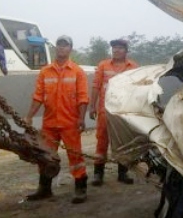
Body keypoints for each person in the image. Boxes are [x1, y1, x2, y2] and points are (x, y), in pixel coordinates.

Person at [24, 35, 90, 203]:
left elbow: (83, 97)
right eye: (59, 45)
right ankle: (44, 189)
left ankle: (81, 188)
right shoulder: (45, 71)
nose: (61, 48)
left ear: (70, 49)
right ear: (56, 48)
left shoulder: (77, 72)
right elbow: (38, 96)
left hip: (70, 122)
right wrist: (29, 116)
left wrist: (81, 119)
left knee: (75, 157)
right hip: (50, 123)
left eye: (65, 45)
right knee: (45, 155)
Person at [88, 39, 139, 186]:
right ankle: (98, 174)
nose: (116, 50)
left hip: (123, 111)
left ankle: (123, 173)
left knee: (123, 142)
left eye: (120, 48)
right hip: (105, 111)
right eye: (114, 48)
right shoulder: (103, 65)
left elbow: (137, 90)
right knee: (101, 142)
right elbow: (96, 86)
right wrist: (92, 106)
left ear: (126, 51)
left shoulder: (133, 67)